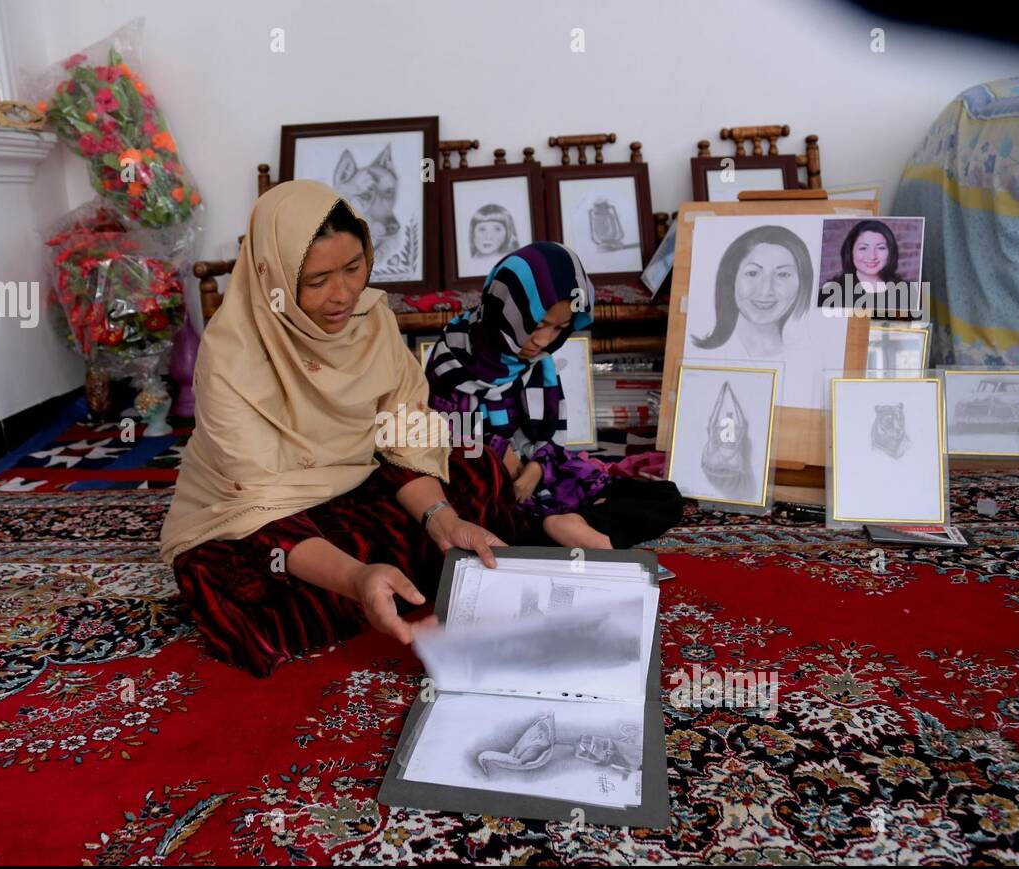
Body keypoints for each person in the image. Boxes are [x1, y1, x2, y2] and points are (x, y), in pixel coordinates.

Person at [161, 180, 546, 678]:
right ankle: (372, 585)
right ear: (272, 277)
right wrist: (355, 574)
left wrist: (441, 520)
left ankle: (399, 573)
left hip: (355, 480)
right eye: (317, 280)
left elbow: (405, 432)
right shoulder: (233, 355)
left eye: (353, 267)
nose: (343, 295)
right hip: (257, 514)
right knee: (235, 579)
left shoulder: (372, 320)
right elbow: (256, 501)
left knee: (473, 465)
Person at [424, 242, 683, 550]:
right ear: (510, 311)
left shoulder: (538, 361)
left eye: (560, 327)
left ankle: (569, 525)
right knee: (491, 521)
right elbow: (449, 434)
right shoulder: (453, 356)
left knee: (665, 496)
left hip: (536, 474)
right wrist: (496, 452)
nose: (544, 340)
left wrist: (536, 469)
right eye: (538, 325)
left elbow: (551, 436)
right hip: (481, 481)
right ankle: (578, 527)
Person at [690, 224, 815, 359]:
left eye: (783, 274)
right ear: (731, 279)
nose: (765, 290)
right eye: (752, 273)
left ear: (803, 282)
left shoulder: (811, 359)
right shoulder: (702, 357)